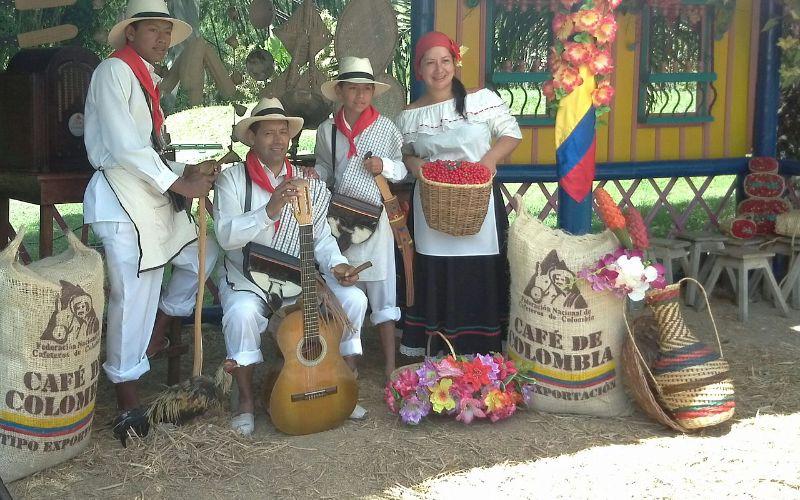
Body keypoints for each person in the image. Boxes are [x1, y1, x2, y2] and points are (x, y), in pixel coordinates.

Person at [82, 0, 220, 445]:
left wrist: (186, 171)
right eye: (153, 30)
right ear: (131, 32)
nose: (163, 40)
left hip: (150, 194)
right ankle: (127, 404)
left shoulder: (144, 77)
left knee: (201, 257)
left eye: (167, 32)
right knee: (133, 295)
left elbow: (149, 149)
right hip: (122, 197)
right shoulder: (113, 71)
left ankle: (155, 333)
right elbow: (124, 146)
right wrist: (180, 183)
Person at [214, 98, 369, 436]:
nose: (277, 140)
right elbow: (225, 237)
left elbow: (322, 238)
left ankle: (344, 382)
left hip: (298, 278)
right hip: (248, 279)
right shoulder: (232, 181)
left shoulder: (304, 181)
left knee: (354, 299)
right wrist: (269, 210)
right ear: (252, 138)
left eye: (283, 133)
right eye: (268, 133)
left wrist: (339, 266)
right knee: (241, 314)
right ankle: (246, 401)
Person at [395, 31, 522, 357]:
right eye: (430, 63)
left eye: (445, 61)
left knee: (478, 271)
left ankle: (482, 351)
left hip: (477, 198)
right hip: (434, 202)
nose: (439, 70)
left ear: (455, 63)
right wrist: (415, 164)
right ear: (419, 70)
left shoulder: (481, 100)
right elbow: (403, 153)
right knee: (436, 271)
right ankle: (439, 348)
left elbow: (510, 134)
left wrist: (488, 161)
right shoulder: (410, 115)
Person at [314, 56, 408, 379]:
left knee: (383, 291)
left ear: (373, 92)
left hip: (376, 219)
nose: (360, 95)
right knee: (344, 286)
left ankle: (390, 365)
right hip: (340, 221)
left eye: (366, 89)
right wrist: (315, 175)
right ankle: (348, 363)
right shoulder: (327, 131)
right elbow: (326, 168)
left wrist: (384, 166)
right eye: (353, 89)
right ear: (340, 91)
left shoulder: (386, 128)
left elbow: (402, 169)